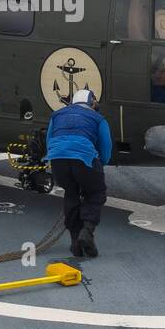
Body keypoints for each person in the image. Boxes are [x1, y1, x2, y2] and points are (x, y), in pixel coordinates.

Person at [45, 88, 112, 258]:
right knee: (96, 193)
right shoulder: (98, 119)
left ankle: (75, 243)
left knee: (71, 194)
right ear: (91, 102)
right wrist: (98, 165)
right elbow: (106, 149)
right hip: (84, 160)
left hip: (58, 160)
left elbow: (49, 141)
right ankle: (87, 232)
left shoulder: (57, 115)